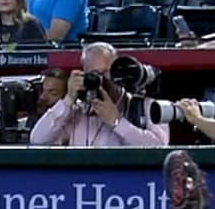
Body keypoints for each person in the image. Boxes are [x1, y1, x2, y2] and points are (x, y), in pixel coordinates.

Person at [28, 42, 169, 147]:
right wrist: (68, 100)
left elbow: (159, 149)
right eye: (96, 75)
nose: (104, 80)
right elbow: (38, 140)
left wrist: (117, 123)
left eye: (108, 72)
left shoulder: (147, 108)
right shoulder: (76, 112)